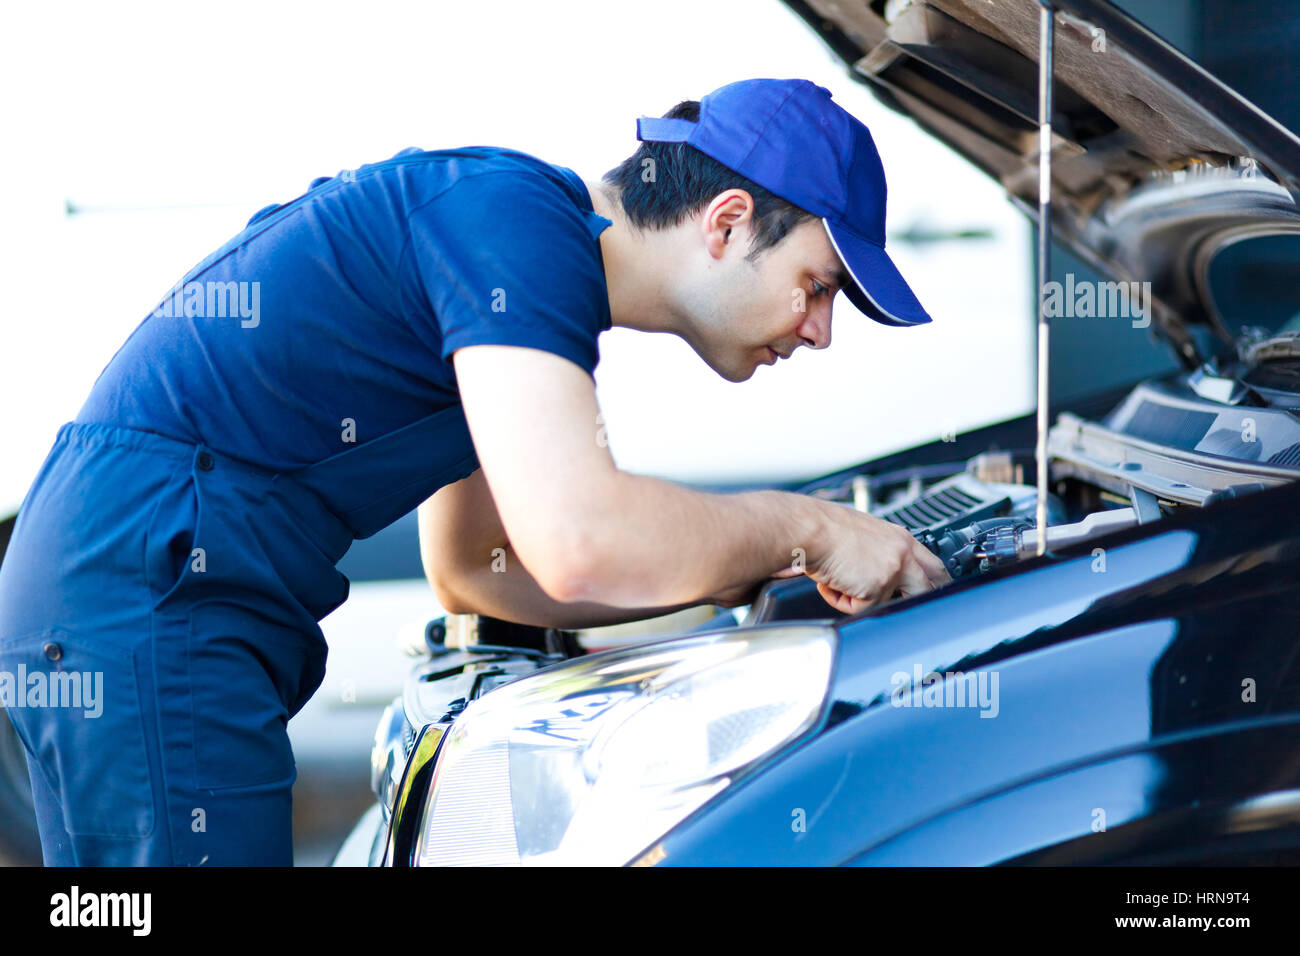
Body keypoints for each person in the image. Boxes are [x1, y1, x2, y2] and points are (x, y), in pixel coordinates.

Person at [0, 77, 949, 866]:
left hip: (117, 576)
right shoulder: (515, 228)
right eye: (819, 286)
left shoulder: (527, 268)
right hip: (145, 582)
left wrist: (755, 580)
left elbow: (487, 568)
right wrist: (808, 527)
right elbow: (579, 542)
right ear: (729, 221)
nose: (820, 331)